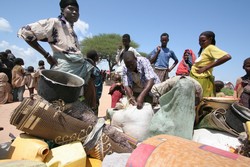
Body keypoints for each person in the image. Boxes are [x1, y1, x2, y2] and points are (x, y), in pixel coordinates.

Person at [17, 0, 95, 107]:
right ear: (62, 10)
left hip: (79, 68)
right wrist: (46, 55)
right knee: (59, 104)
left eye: (77, 10)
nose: (75, 12)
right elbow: (26, 31)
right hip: (64, 70)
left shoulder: (72, 31)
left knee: (80, 100)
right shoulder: (54, 23)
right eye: (71, 9)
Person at [190, 31, 231, 97]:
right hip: (197, 78)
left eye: (203, 40)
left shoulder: (211, 48)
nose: (201, 43)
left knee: (201, 99)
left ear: (210, 39)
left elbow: (227, 57)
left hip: (202, 79)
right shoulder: (204, 49)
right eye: (199, 41)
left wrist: (206, 67)